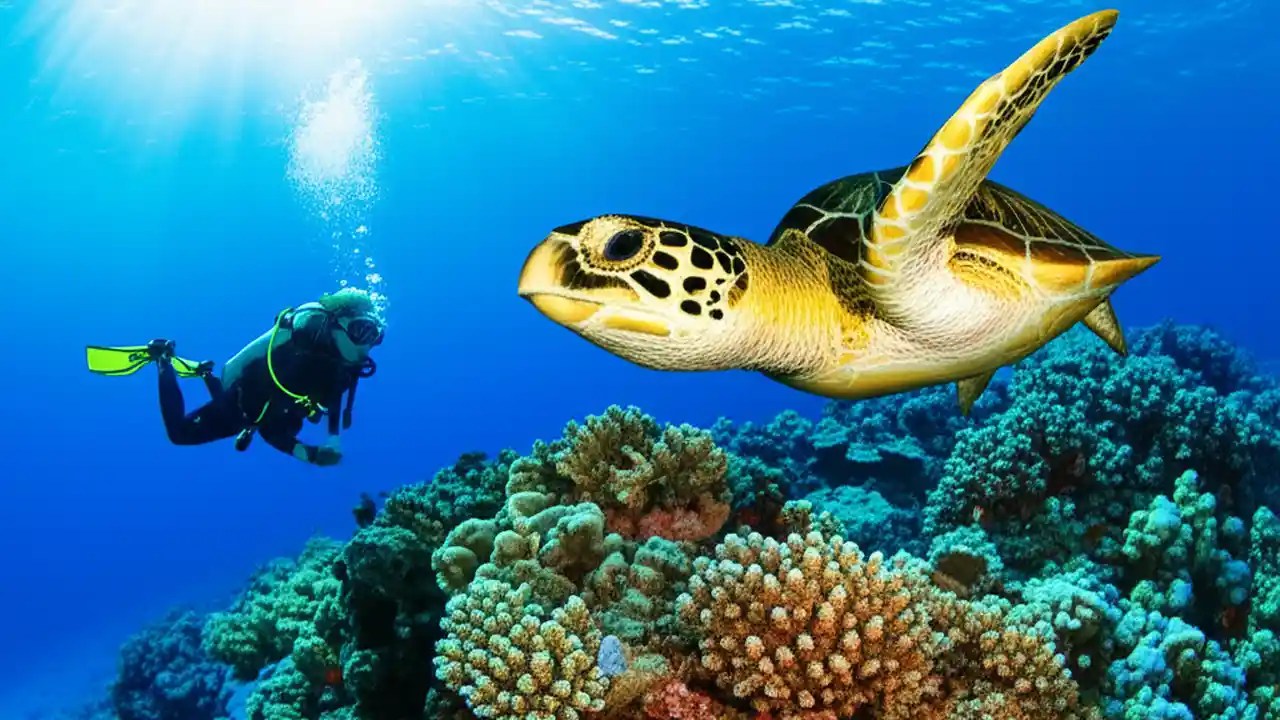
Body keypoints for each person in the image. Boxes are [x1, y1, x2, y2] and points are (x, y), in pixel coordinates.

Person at [86, 288, 384, 466]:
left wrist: (333, 437)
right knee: (181, 433)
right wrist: (308, 454)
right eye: (360, 331)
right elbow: (269, 424)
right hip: (249, 404)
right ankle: (163, 359)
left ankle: (205, 375)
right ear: (336, 324)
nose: (365, 345)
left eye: (374, 335)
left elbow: (334, 400)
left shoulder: (342, 367)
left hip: (263, 409)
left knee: (244, 415)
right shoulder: (301, 353)